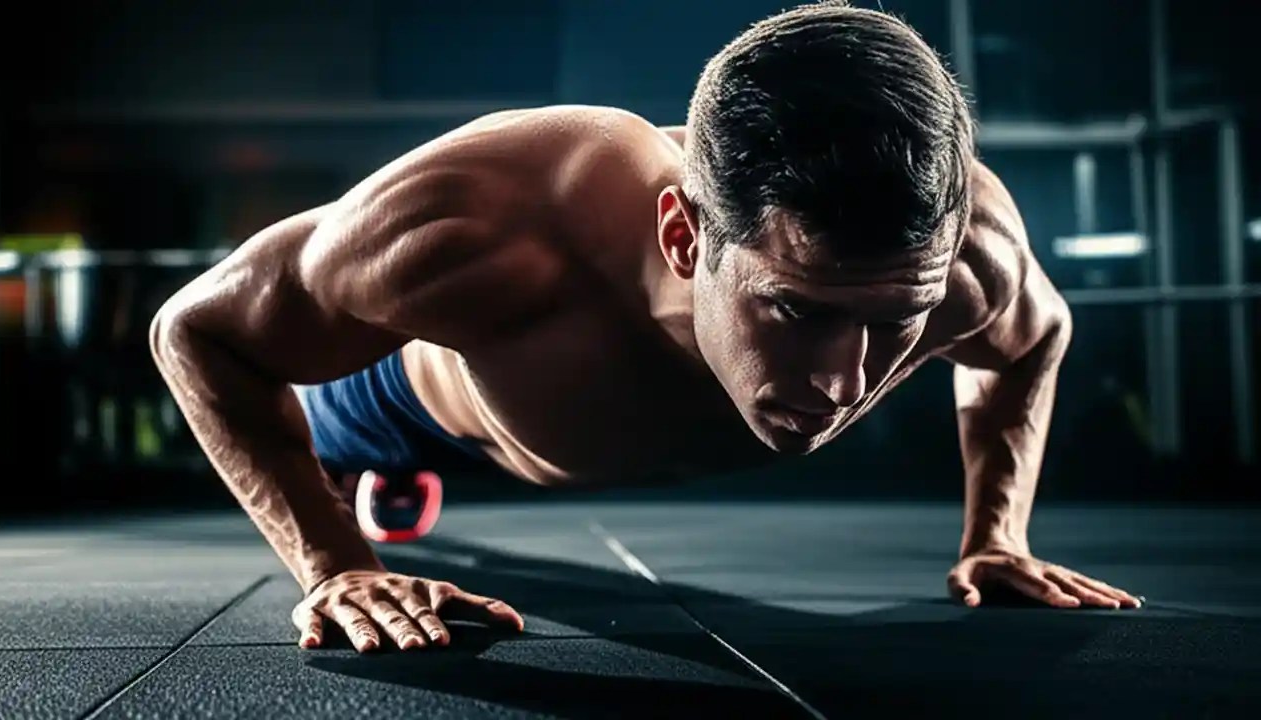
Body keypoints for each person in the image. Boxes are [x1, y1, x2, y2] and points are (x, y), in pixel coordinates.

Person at [150, 2, 1142, 655]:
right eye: (796, 308)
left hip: (572, 422)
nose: (846, 385)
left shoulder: (966, 263)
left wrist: (994, 536)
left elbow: (1030, 345)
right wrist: (334, 565)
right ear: (680, 234)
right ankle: (374, 471)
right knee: (331, 433)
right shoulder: (495, 220)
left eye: (896, 321)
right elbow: (198, 333)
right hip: (413, 399)